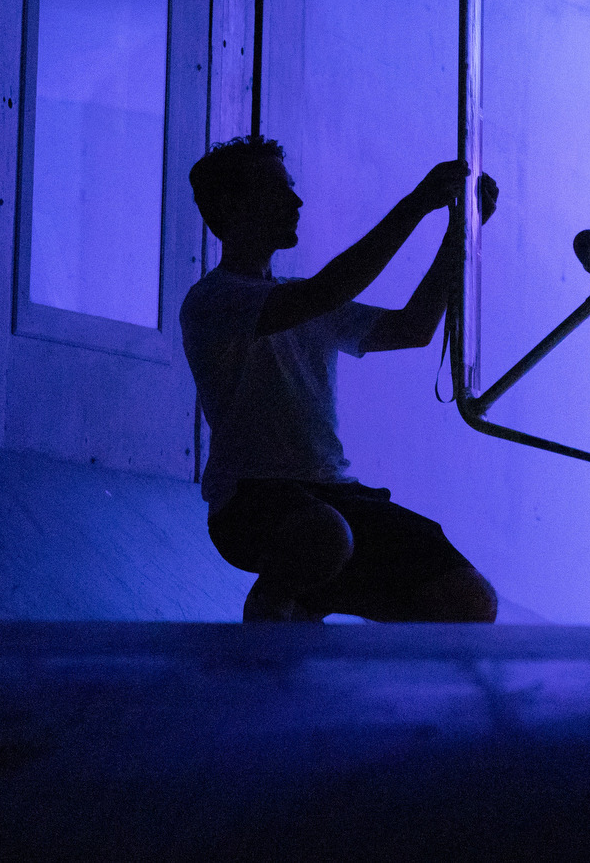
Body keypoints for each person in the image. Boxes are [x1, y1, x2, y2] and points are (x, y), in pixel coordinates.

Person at [182, 135, 502, 623]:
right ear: (231, 205)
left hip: (336, 498)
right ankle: (264, 644)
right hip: (250, 501)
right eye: (276, 189)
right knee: (323, 536)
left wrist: (460, 231)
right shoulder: (213, 301)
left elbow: (411, 328)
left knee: (470, 599)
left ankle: (308, 599)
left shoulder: (301, 298)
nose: (296, 201)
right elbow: (330, 289)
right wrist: (415, 205)